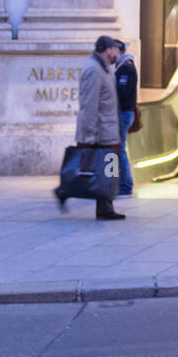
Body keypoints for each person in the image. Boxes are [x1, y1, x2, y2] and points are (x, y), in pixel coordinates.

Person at [55, 34, 125, 220]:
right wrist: (88, 136)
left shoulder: (106, 69)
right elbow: (89, 105)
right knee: (96, 168)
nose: (117, 53)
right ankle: (64, 190)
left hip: (109, 129)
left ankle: (105, 208)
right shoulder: (93, 70)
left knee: (110, 170)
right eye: (115, 49)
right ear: (107, 49)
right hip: (100, 131)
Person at [113, 40, 139, 198]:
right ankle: (122, 183)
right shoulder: (124, 66)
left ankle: (125, 184)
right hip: (124, 113)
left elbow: (122, 91)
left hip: (123, 113)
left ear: (117, 49)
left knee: (119, 149)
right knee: (119, 148)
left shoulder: (126, 68)